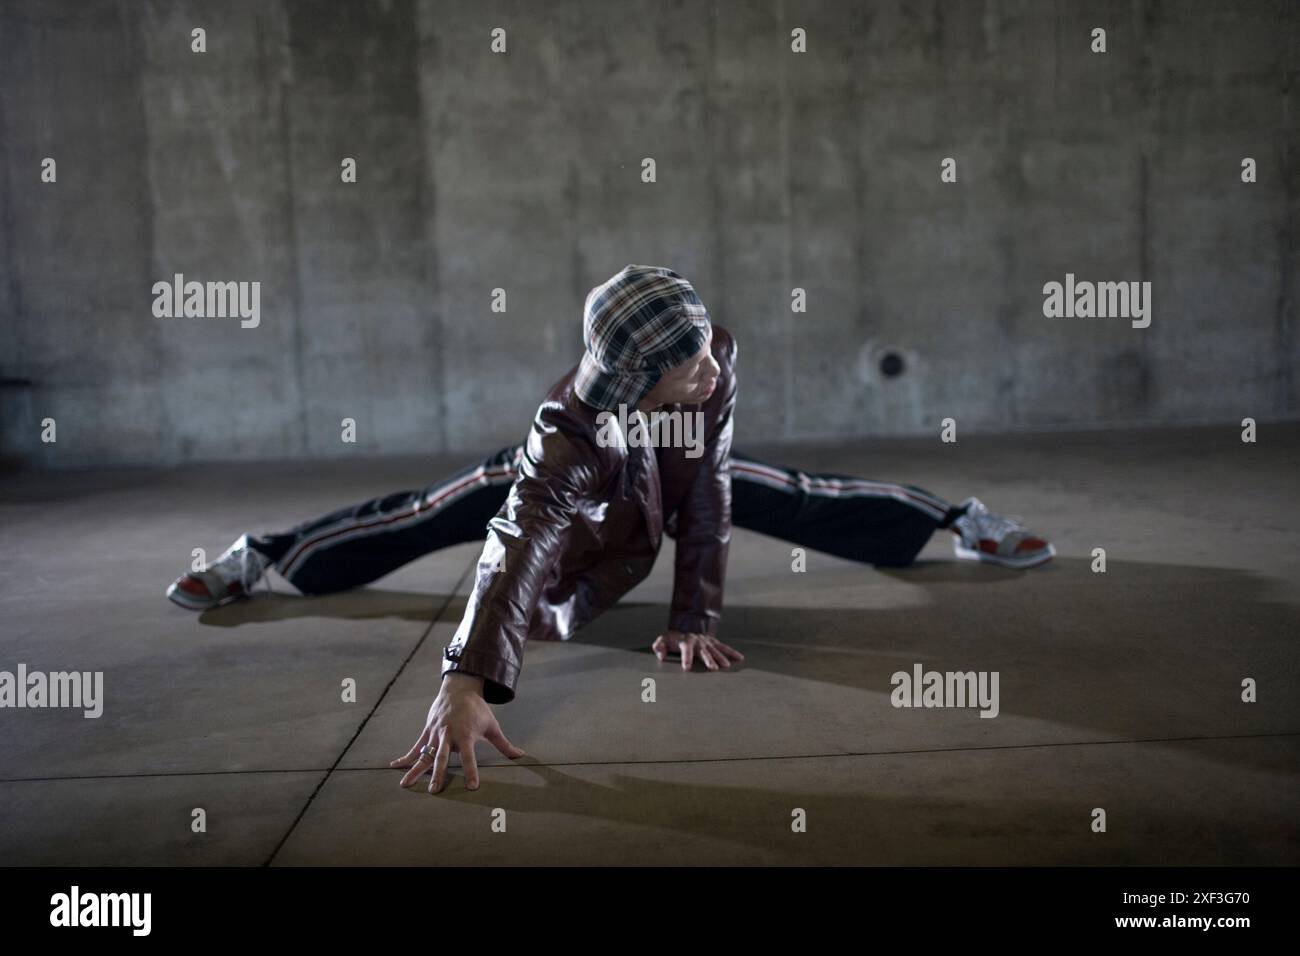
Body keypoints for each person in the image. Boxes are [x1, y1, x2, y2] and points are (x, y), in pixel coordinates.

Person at [166, 265, 1054, 793]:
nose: (711, 367)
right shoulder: (569, 432)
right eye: (688, 362)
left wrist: (696, 615)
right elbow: (517, 541)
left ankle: (954, 520)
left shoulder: (714, 362)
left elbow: (704, 487)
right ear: (638, 378)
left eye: (709, 346)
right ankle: (267, 557)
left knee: (775, 488)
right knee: (434, 511)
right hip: (577, 491)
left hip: (659, 478)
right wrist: (466, 678)